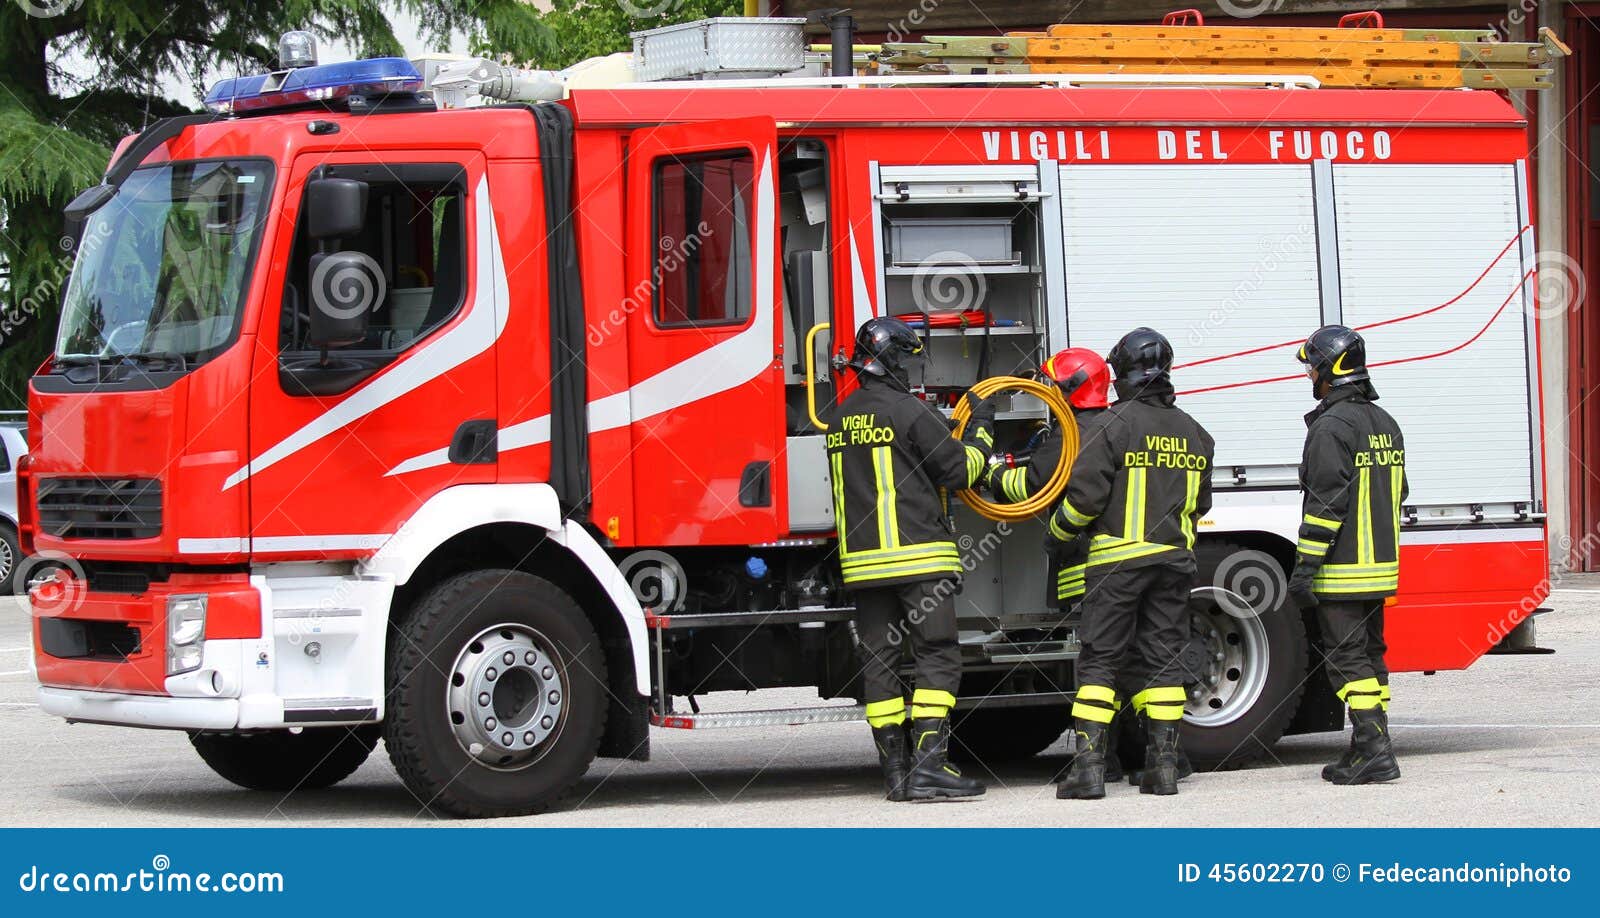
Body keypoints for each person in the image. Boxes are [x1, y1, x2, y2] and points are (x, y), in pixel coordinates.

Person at [828, 316, 999, 802]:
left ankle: (897, 774)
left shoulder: (840, 419)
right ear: (893, 361)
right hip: (920, 561)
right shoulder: (909, 412)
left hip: (863, 567)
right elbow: (960, 471)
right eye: (907, 360)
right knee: (938, 655)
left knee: (879, 662)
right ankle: (930, 766)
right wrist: (981, 429)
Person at [1044, 328, 1214, 799]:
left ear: (1122, 376)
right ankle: (1162, 769)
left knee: (1100, 660)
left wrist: (1057, 535)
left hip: (1117, 567)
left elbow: (1084, 500)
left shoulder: (1109, 426)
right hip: (1174, 563)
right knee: (1163, 662)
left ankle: (1089, 770)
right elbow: (1199, 505)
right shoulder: (1196, 433)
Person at [1289, 325, 1407, 785]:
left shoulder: (1331, 428)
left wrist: (1304, 570)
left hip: (1342, 571)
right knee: (1371, 659)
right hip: (1381, 569)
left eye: (1312, 366)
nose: (1310, 375)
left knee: (1347, 660)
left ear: (1329, 369)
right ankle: (1367, 747)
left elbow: (1325, 507)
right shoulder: (1385, 423)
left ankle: (1375, 752)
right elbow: (1399, 493)